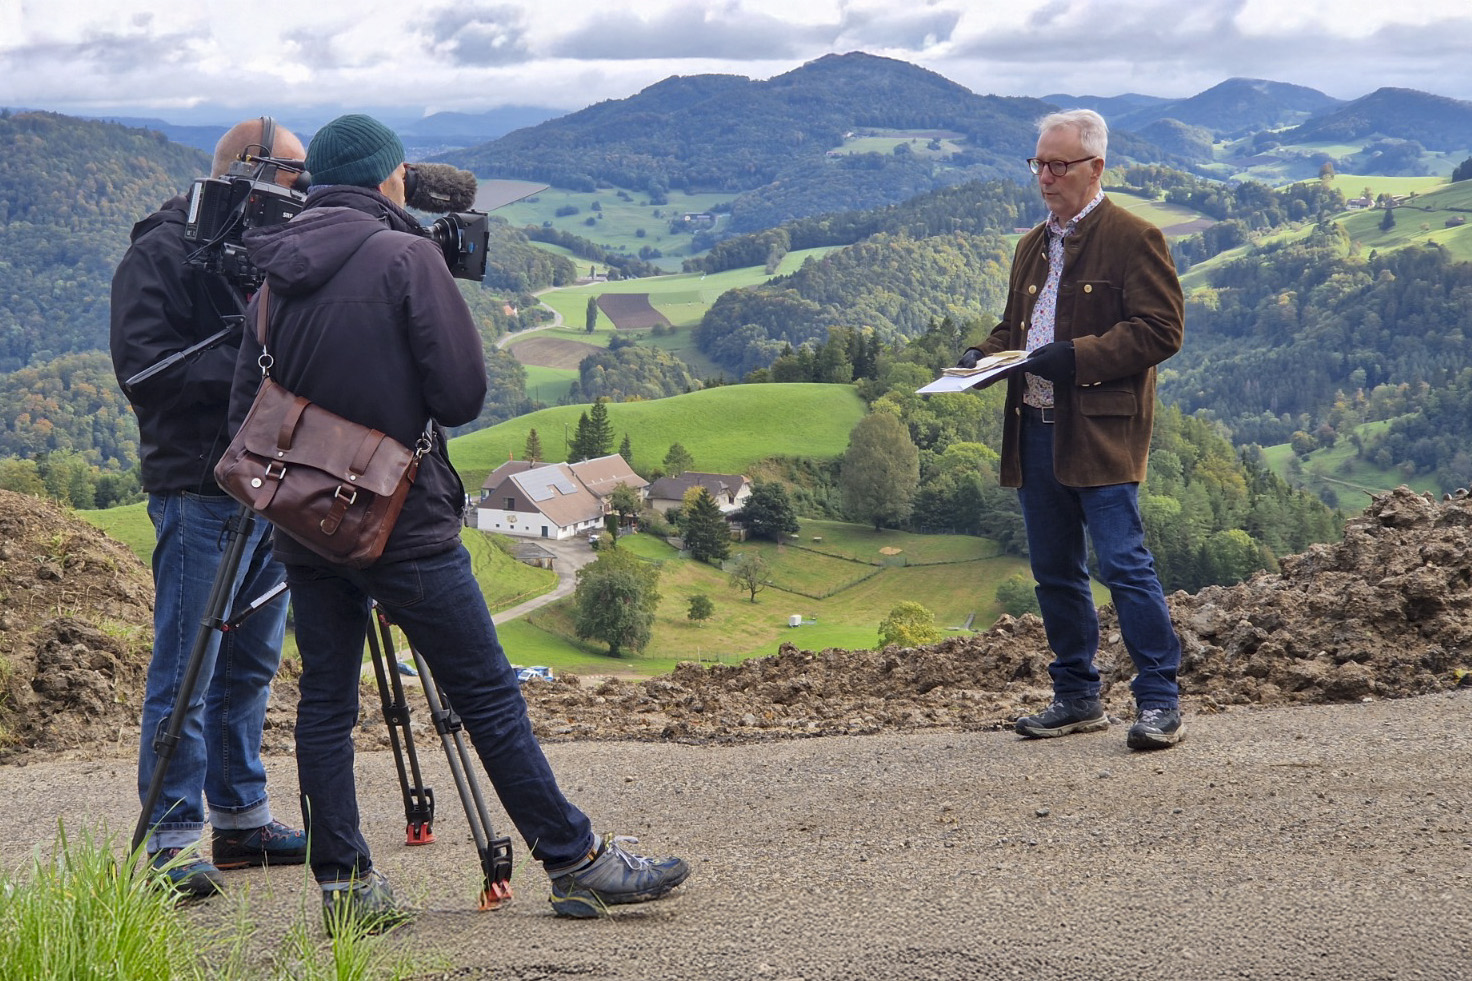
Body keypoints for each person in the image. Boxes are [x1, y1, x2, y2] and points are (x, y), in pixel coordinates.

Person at [228, 113, 690, 932]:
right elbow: (462, 397)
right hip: (402, 522)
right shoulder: (407, 256)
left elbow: (245, 410)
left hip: (306, 525)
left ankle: (345, 886)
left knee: (326, 702)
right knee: (486, 695)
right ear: (387, 179)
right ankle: (575, 862)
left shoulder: (271, 277)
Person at [110, 117, 310, 895]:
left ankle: (241, 818)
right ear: (245, 170)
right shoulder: (159, 250)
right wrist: (255, 360)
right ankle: (167, 840)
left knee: (252, 662)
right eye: (291, 175)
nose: (301, 192)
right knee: (187, 667)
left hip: (266, 484)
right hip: (196, 485)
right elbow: (147, 371)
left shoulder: (266, 249)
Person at [957, 109, 1186, 751]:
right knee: (1055, 569)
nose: (1046, 178)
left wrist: (1078, 358)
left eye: (1059, 165)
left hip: (1100, 432)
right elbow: (1016, 330)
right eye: (1040, 164)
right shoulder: (1033, 243)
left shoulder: (1134, 237)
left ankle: (1159, 702)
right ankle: (1078, 696)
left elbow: (1161, 331)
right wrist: (982, 354)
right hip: (1034, 427)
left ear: (1096, 168)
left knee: (1123, 565)